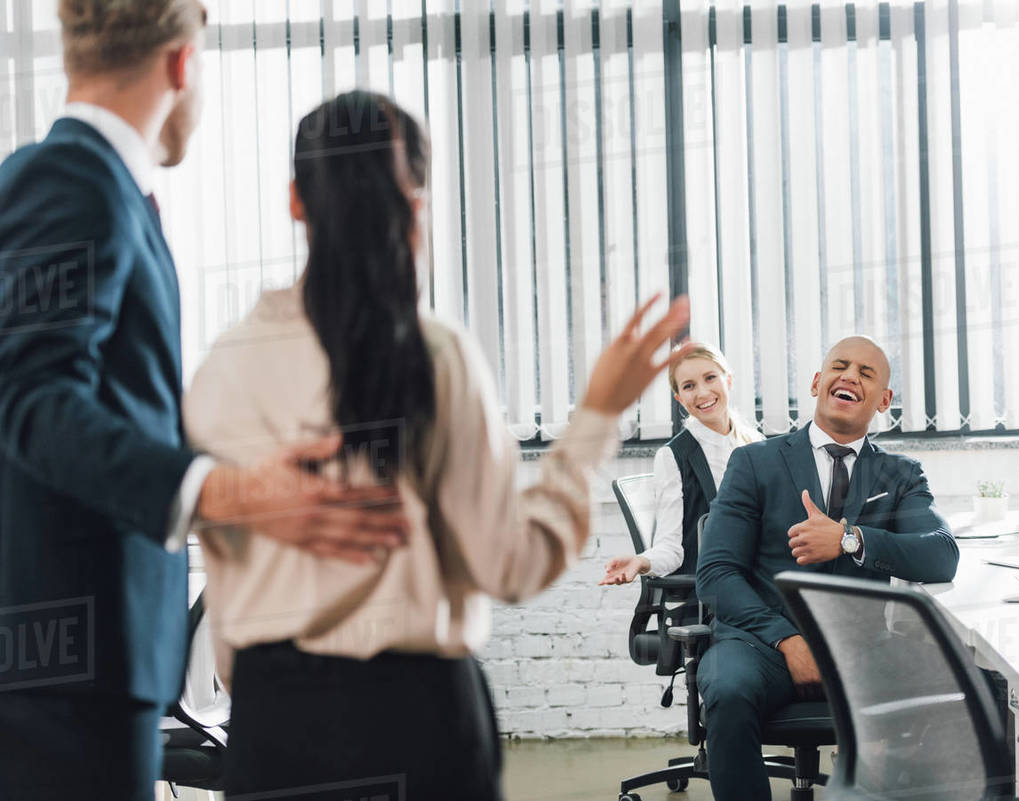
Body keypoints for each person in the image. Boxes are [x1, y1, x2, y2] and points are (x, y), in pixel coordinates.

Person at [182, 91, 692, 800]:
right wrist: (597, 417)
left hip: (277, 732)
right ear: (416, 205)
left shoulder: (223, 369)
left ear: (296, 201)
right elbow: (510, 564)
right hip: (421, 722)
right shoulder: (439, 357)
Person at [0, 5, 408, 800]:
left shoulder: (87, 183)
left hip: (89, 657)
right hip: (68, 670)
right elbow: (31, 396)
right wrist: (223, 491)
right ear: (183, 64)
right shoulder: (70, 179)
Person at [695, 335, 959, 801]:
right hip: (762, 643)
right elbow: (716, 575)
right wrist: (789, 641)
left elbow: (940, 554)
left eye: (867, 373)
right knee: (727, 691)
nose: (850, 376)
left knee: (960, 689)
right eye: (840, 366)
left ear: (883, 402)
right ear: (818, 382)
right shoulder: (753, 463)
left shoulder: (901, 474)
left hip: (860, 648)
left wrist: (850, 540)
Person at [600, 342, 761, 585]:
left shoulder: (755, 442)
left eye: (710, 378)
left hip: (765, 573)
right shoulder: (673, 457)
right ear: (679, 398)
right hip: (717, 588)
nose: (703, 393)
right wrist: (641, 562)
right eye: (689, 386)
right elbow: (671, 547)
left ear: (728, 380)